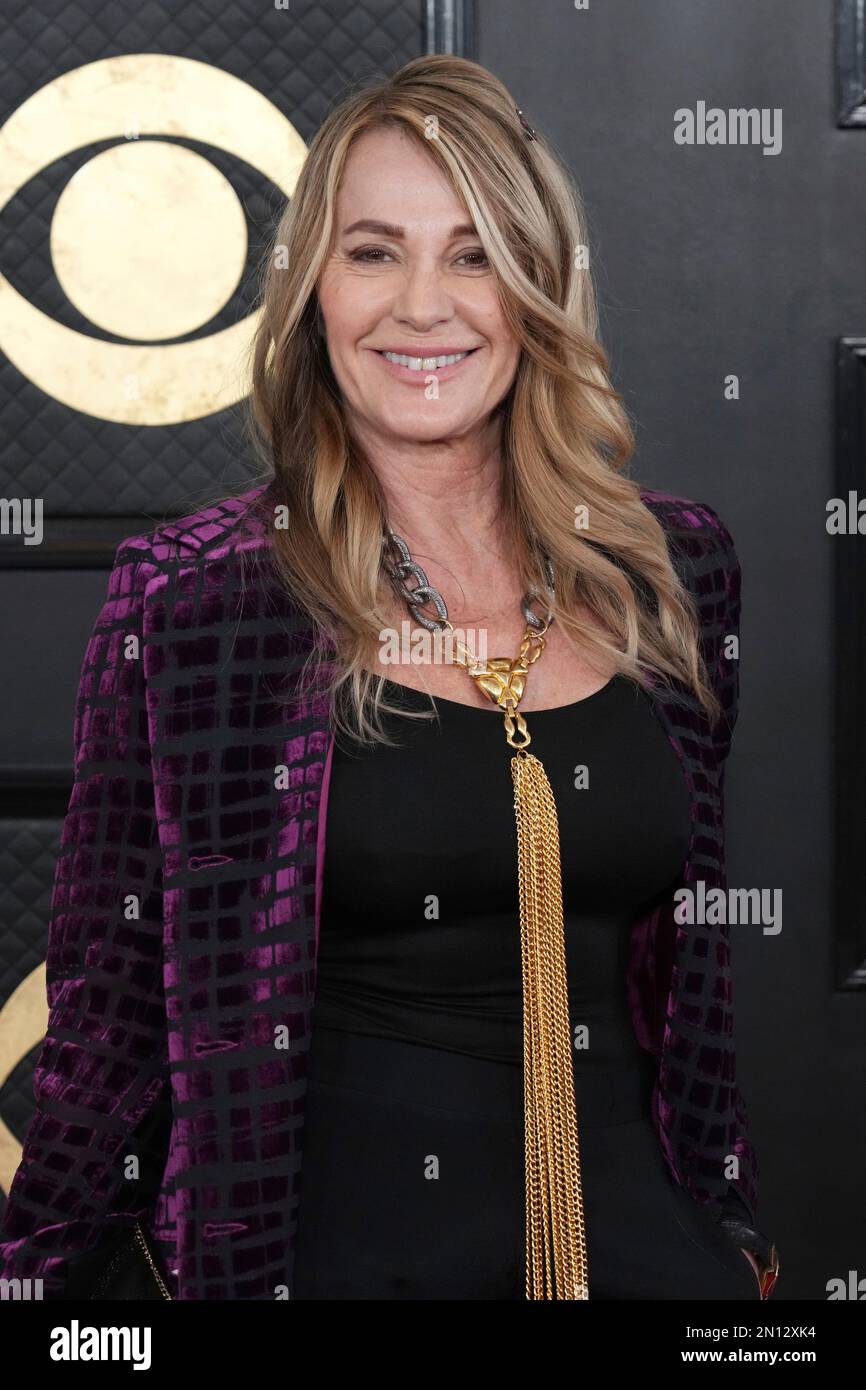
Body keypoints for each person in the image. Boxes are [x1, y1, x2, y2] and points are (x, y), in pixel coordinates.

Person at [0, 54, 778, 1300]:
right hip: (329, 1262)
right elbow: (107, 1018)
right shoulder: (201, 599)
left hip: (637, 1258)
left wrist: (729, 1231)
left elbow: (683, 973)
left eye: (474, 254)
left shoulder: (669, 568)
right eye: (372, 251)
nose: (425, 305)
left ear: (537, 289)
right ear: (311, 287)